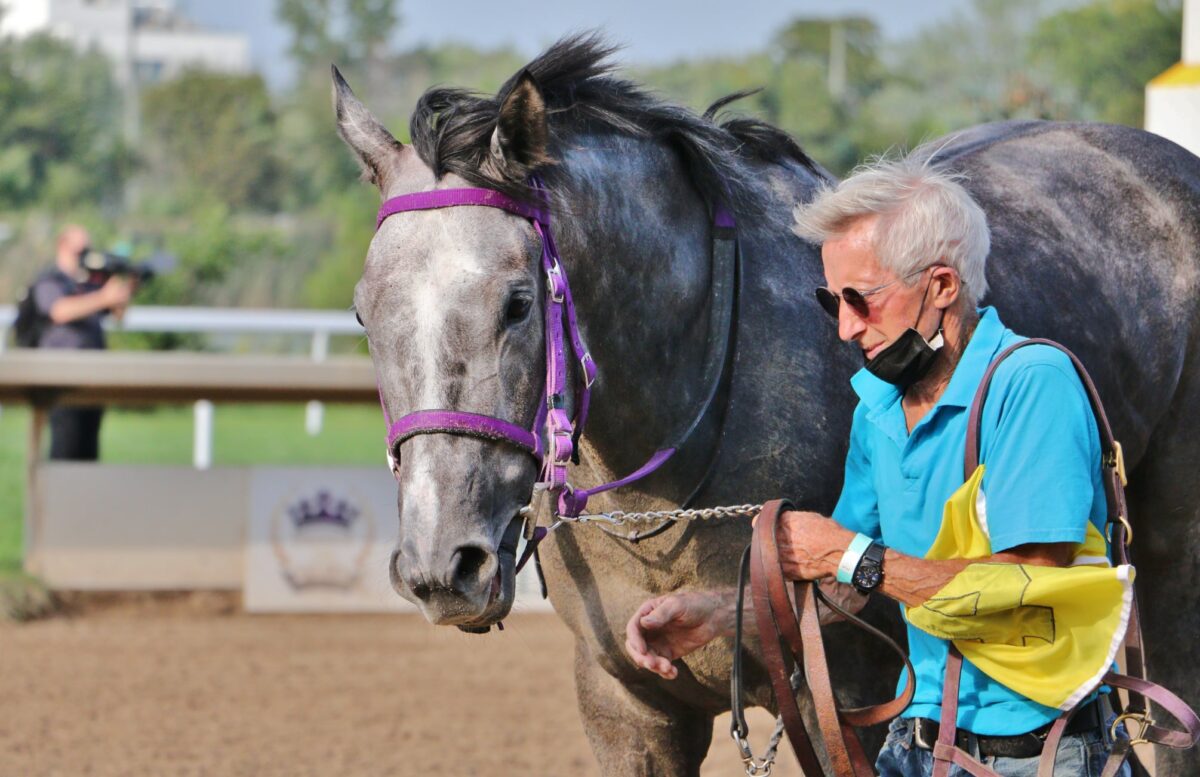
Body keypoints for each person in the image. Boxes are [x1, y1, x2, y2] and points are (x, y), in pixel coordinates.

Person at [624, 152, 1130, 776]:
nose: (844, 328)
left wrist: (848, 555)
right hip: (918, 745)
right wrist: (718, 616)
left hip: (1040, 753)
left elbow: (1030, 585)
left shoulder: (1032, 382)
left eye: (860, 299)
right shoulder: (879, 408)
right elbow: (844, 585)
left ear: (943, 285)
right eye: (832, 300)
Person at [29, 225, 134, 460]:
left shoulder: (89, 283)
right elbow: (60, 311)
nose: (85, 254)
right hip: (62, 378)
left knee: (88, 452)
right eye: (80, 249)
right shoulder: (50, 279)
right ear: (63, 246)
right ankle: (58, 496)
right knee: (66, 448)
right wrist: (102, 297)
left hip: (93, 378)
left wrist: (122, 291)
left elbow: (118, 315)